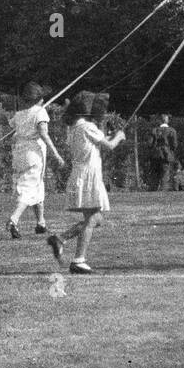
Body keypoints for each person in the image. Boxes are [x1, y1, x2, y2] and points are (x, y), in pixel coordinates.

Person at [47, 91, 126, 274]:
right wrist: (119, 136)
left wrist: (108, 136)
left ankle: (61, 239)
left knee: (97, 219)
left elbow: (98, 142)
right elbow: (110, 146)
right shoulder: (88, 126)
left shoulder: (76, 128)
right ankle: (79, 260)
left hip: (80, 175)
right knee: (92, 219)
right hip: (88, 177)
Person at [6, 82, 65, 239]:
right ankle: (14, 219)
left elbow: (13, 129)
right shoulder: (41, 112)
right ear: (39, 99)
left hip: (20, 153)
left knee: (37, 186)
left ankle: (41, 223)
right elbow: (44, 134)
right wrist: (56, 154)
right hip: (33, 155)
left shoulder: (20, 114)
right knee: (29, 189)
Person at [149, 114, 178, 191]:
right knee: (165, 173)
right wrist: (171, 151)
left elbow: (150, 144)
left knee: (155, 173)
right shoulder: (172, 131)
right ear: (167, 120)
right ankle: (163, 190)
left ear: (160, 121)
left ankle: (153, 190)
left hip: (155, 154)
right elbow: (174, 145)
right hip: (166, 154)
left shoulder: (154, 130)